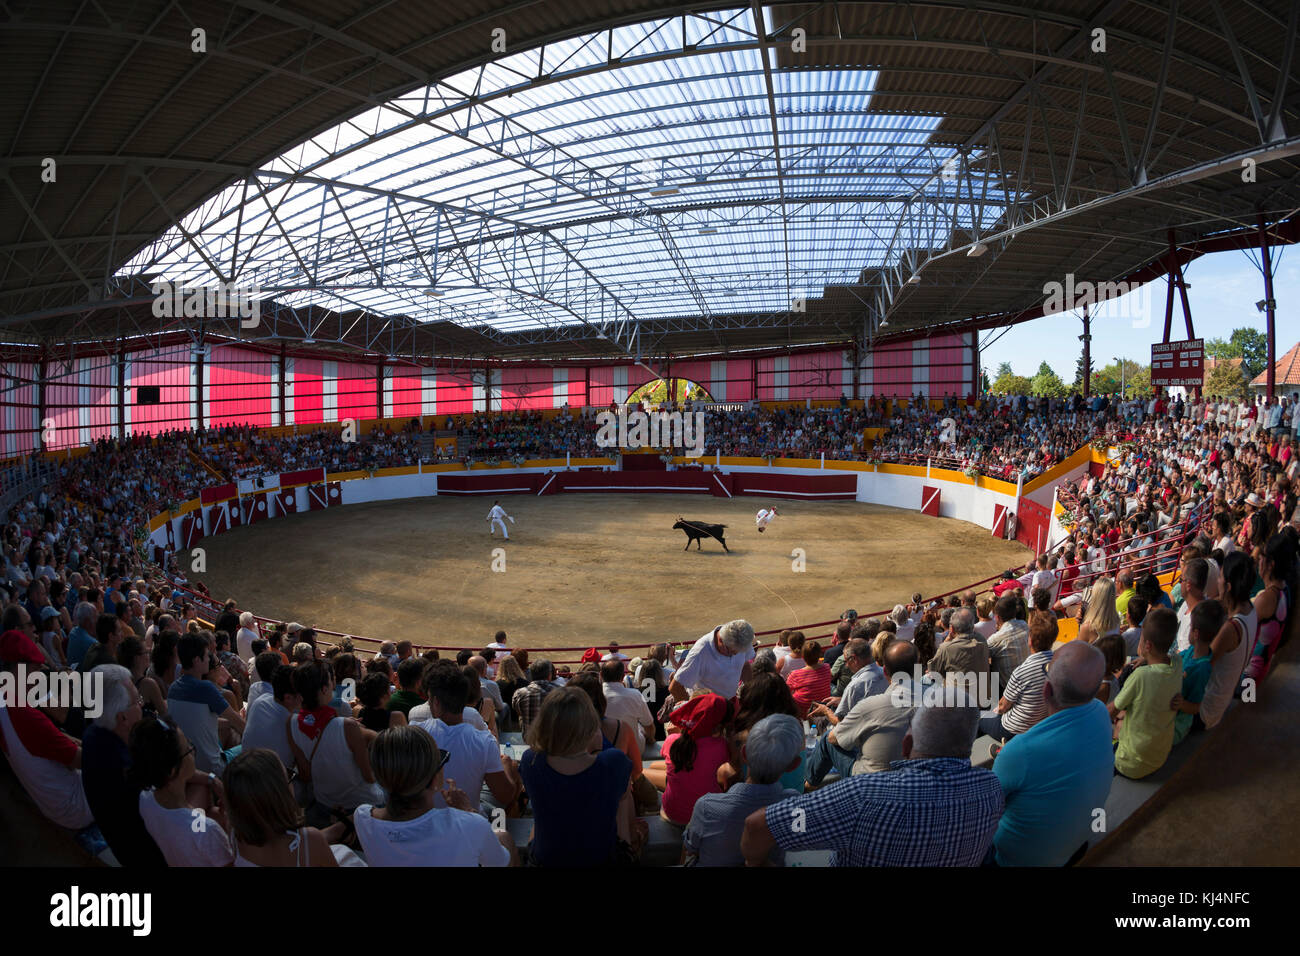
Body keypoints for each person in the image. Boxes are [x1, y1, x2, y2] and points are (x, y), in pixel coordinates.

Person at [741, 688, 1002, 867]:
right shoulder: (992, 789)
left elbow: (760, 825)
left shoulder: (863, 794)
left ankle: (811, 781)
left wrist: (756, 863)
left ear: (906, 744)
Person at [990, 641, 1115, 866]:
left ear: (1046, 690)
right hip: (1080, 842)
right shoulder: (1100, 712)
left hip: (1017, 860)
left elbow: (987, 808)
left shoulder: (1020, 750)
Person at [354, 726, 515, 867]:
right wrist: (468, 811)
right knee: (503, 836)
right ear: (436, 778)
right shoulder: (472, 825)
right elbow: (500, 862)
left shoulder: (362, 818)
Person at [517, 686, 634, 866]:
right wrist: (596, 747)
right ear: (591, 725)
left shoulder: (530, 760)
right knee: (624, 795)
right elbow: (621, 794)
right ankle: (627, 847)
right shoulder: (613, 761)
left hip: (545, 858)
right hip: (601, 859)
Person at [681, 714, 803, 866]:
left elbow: (691, 847)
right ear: (794, 765)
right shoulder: (796, 804)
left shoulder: (706, 806)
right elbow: (798, 841)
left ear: (744, 754)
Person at [80, 664, 166, 867]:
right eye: (138, 701)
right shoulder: (126, 770)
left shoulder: (94, 734)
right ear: (123, 718)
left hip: (123, 844)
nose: (143, 705)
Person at [410, 660, 521, 814]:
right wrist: (507, 767)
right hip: (470, 819)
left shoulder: (413, 733)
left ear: (435, 702)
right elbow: (505, 796)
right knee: (511, 766)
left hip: (424, 821)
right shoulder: (484, 741)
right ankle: (502, 826)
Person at [806, 641, 919, 784]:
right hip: (913, 773)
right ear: (917, 667)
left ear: (885, 671)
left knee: (827, 738)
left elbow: (834, 738)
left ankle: (808, 783)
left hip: (870, 781)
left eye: (846, 661)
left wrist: (827, 711)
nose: (846, 665)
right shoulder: (936, 699)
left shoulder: (866, 702)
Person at [131, 717, 235, 866]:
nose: (192, 752)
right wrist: (231, 823)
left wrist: (213, 780)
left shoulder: (145, 799)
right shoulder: (207, 832)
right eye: (188, 750)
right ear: (173, 771)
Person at [223, 749, 353, 867]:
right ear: (280, 794)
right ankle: (341, 828)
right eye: (289, 775)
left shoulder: (234, 832)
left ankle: (337, 830)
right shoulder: (310, 841)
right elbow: (306, 842)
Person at [286, 660, 385, 814]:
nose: (334, 684)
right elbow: (369, 777)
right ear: (324, 689)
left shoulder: (290, 723)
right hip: (362, 804)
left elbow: (306, 775)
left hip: (325, 802)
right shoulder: (347, 726)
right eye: (331, 680)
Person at [1109, 607, 1183, 779]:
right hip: (1159, 756)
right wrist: (1146, 657)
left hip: (1130, 763)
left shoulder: (1141, 676)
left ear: (1147, 645)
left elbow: (1112, 710)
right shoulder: (1177, 663)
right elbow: (1167, 658)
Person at [1196, 551, 1259, 731]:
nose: (1218, 581)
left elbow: (1203, 668)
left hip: (1208, 711)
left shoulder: (1230, 629)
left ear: (1229, 586)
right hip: (1225, 697)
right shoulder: (1251, 609)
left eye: (1221, 577)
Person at [650, 693, 734, 826]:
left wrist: (680, 732)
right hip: (705, 815)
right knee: (660, 767)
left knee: (649, 768)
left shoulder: (672, 740)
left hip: (673, 814)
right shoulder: (723, 747)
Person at [166, 633, 244, 774]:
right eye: (207, 655)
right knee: (248, 746)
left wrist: (228, 723)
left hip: (189, 766)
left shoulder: (172, 689)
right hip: (213, 766)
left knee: (228, 731)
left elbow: (198, 721)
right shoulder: (205, 688)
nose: (209, 659)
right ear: (197, 660)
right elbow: (237, 722)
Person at [980, 611, 1057, 741]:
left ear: (1030, 640)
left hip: (1014, 729)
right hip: (1042, 722)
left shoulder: (1022, 671)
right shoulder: (1059, 663)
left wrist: (992, 713)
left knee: (978, 716)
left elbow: (1003, 706)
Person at [1172, 601, 1226, 745]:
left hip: (1178, 723)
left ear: (1195, 634)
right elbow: (1176, 658)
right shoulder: (1191, 651)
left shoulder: (1202, 669)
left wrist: (1180, 704)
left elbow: (1196, 707)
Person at [668, 620, 755, 701]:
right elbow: (675, 687)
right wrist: (691, 709)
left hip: (730, 702)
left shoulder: (741, 641)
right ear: (721, 640)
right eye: (731, 652)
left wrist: (752, 692)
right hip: (708, 708)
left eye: (739, 652)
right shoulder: (700, 652)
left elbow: (745, 665)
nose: (735, 654)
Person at [240, 664, 301, 770]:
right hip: (273, 781)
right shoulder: (295, 724)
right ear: (288, 698)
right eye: (302, 691)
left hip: (246, 767)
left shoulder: (260, 701)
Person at [600, 659, 655, 752]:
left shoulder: (594, 695)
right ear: (623, 676)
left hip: (602, 749)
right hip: (632, 749)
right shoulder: (635, 695)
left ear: (601, 675)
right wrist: (651, 739)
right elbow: (649, 726)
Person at [512, 658, 561, 735]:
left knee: (521, 716)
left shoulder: (519, 693)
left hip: (529, 738)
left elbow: (518, 710)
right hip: (553, 738)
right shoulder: (560, 692)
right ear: (549, 675)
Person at [784, 640, 831, 719]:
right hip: (822, 709)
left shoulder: (795, 675)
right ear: (819, 655)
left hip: (803, 712)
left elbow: (785, 692)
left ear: (803, 656)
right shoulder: (826, 667)